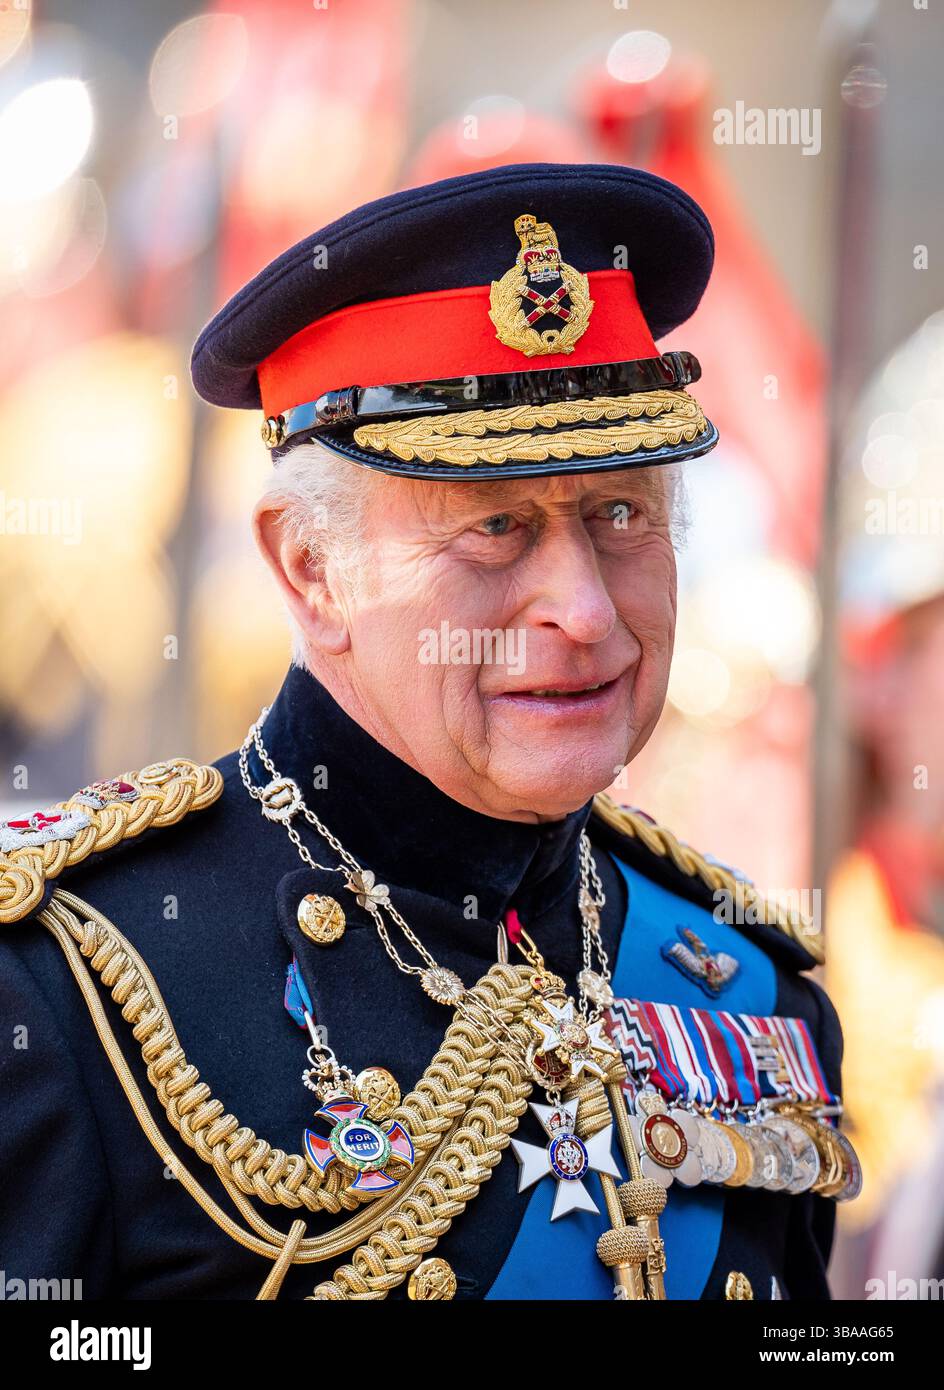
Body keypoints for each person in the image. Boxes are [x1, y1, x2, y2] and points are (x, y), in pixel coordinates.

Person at [0, 164, 853, 1302]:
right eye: (495, 526)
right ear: (312, 571)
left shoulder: (747, 986)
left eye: (619, 516)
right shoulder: (66, 988)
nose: (586, 612)